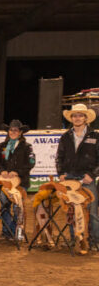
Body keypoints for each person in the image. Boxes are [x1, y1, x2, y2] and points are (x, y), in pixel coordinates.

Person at [56, 104, 99, 248]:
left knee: (92, 211)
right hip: (69, 178)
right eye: (75, 115)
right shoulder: (66, 137)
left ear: (86, 118)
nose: (78, 118)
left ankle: (94, 241)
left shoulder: (95, 136)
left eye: (81, 115)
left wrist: (92, 175)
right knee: (71, 210)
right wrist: (61, 173)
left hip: (87, 178)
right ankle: (75, 239)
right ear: (72, 118)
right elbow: (59, 157)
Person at [0, 119, 35, 239]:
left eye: (16, 130)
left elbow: (31, 163)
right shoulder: (2, 146)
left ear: (20, 132)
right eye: (11, 130)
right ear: (8, 131)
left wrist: (17, 172)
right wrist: (2, 170)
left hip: (21, 181)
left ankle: (16, 229)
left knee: (17, 206)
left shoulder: (27, 147)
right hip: (6, 181)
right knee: (4, 203)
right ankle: (8, 230)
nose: (13, 132)